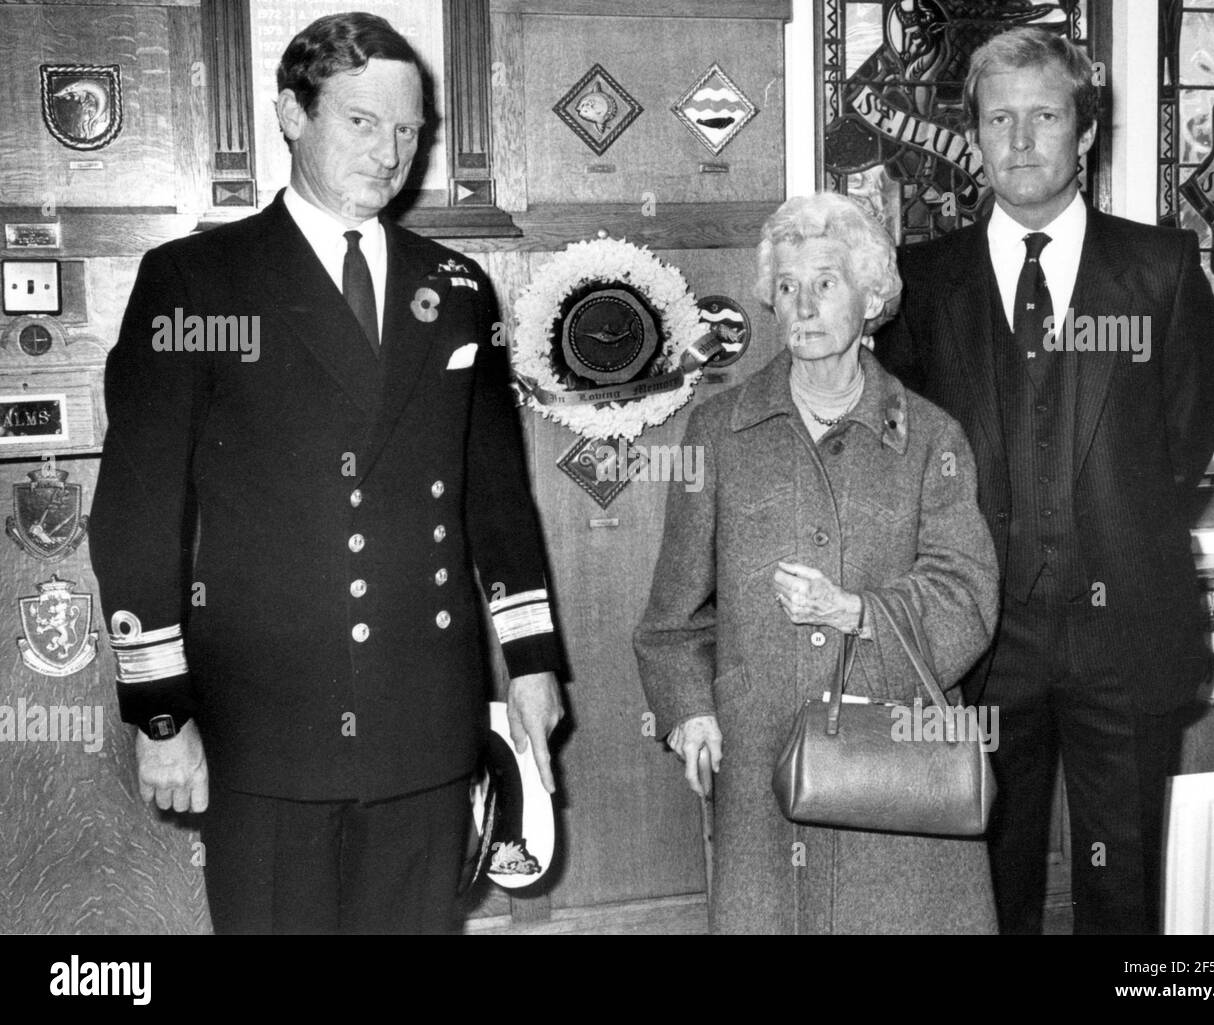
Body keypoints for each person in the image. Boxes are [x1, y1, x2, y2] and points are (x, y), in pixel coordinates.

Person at [88, 12, 564, 934]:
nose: (391, 153)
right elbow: (140, 509)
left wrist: (533, 666)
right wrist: (159, 713)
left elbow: (496, 496)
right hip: (265, 721)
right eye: (361, 122)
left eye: (409, 130)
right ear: (290, 115)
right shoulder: (199, 283)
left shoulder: (459, 286)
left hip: (426, 714)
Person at [875, 27, 1214, 934]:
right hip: (978, 638)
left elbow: (1185, 443)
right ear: (976, 136)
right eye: (1000, 119)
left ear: (1085, 133)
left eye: (1044, 116)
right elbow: (905, 458)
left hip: (1126, 631)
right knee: (988, 882)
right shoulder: (921, 281)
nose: (1021, 140)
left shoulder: (1161, 270)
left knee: (1124, 883)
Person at [634, 192, 1001, 934]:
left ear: (872, 300)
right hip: (761, 758)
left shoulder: (930, 438)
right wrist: (690, 712)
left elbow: (968, 597)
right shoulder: (718, 432)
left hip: (895, 766)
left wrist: (859, 613)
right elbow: (672, 619)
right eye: (788, 286)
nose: (803, 304)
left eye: (827, 283)